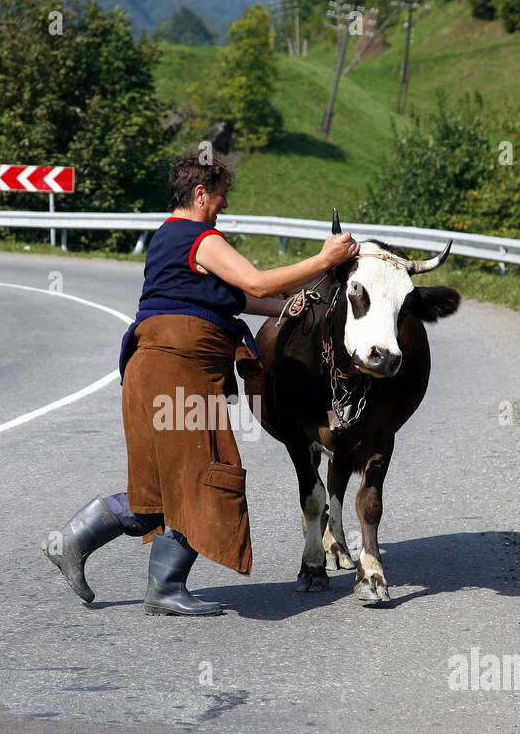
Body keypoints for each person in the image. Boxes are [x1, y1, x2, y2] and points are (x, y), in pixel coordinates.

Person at [42, 150, 359, 615]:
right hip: (178, 370)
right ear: (199, 193)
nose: (223, 207)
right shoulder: (199, 237)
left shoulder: (168, 239)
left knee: (162, 488)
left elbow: (241, 299)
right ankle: (136, 572)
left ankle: (100, 553)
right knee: (206, 475)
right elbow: (259, 282)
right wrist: (324, 258)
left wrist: (302, 303)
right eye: (220, 197)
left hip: (152, 368)